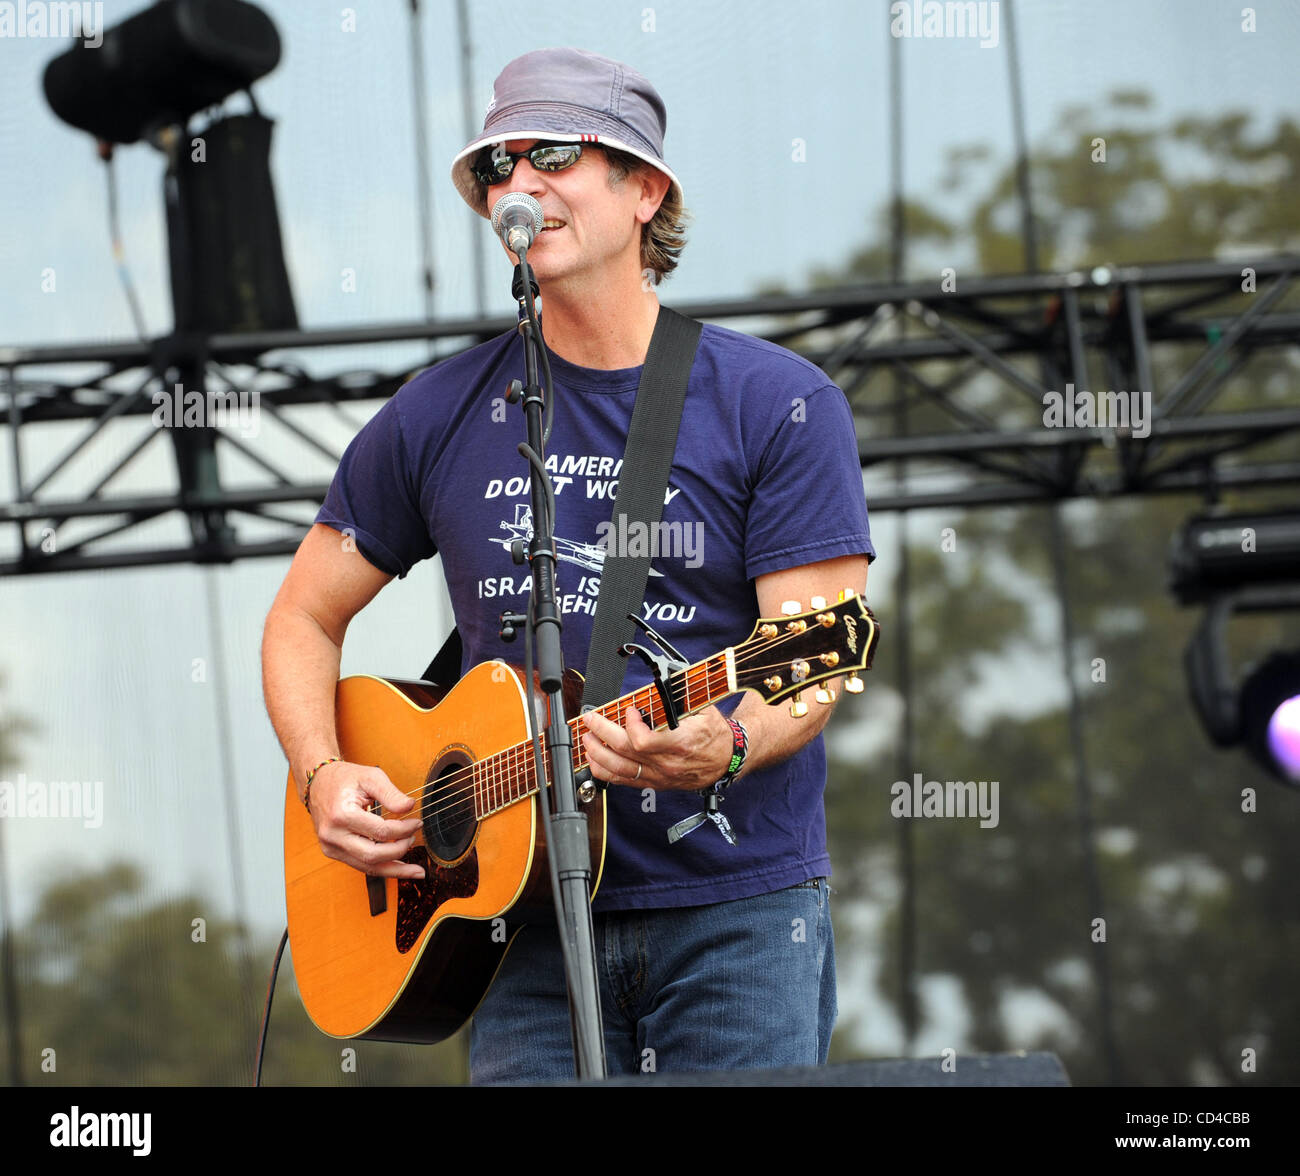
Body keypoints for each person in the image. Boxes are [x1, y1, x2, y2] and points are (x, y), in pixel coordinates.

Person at [261, 46, 875, 1082]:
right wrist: (322, 774)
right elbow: (300, 619)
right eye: (497, 167)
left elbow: (810, 660)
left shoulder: (776, 401)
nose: (518, 183)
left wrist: (724, 742)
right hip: (512, 927)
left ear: (644, 190)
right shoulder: (435, 412)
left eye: (553, 154)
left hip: (734, 911)